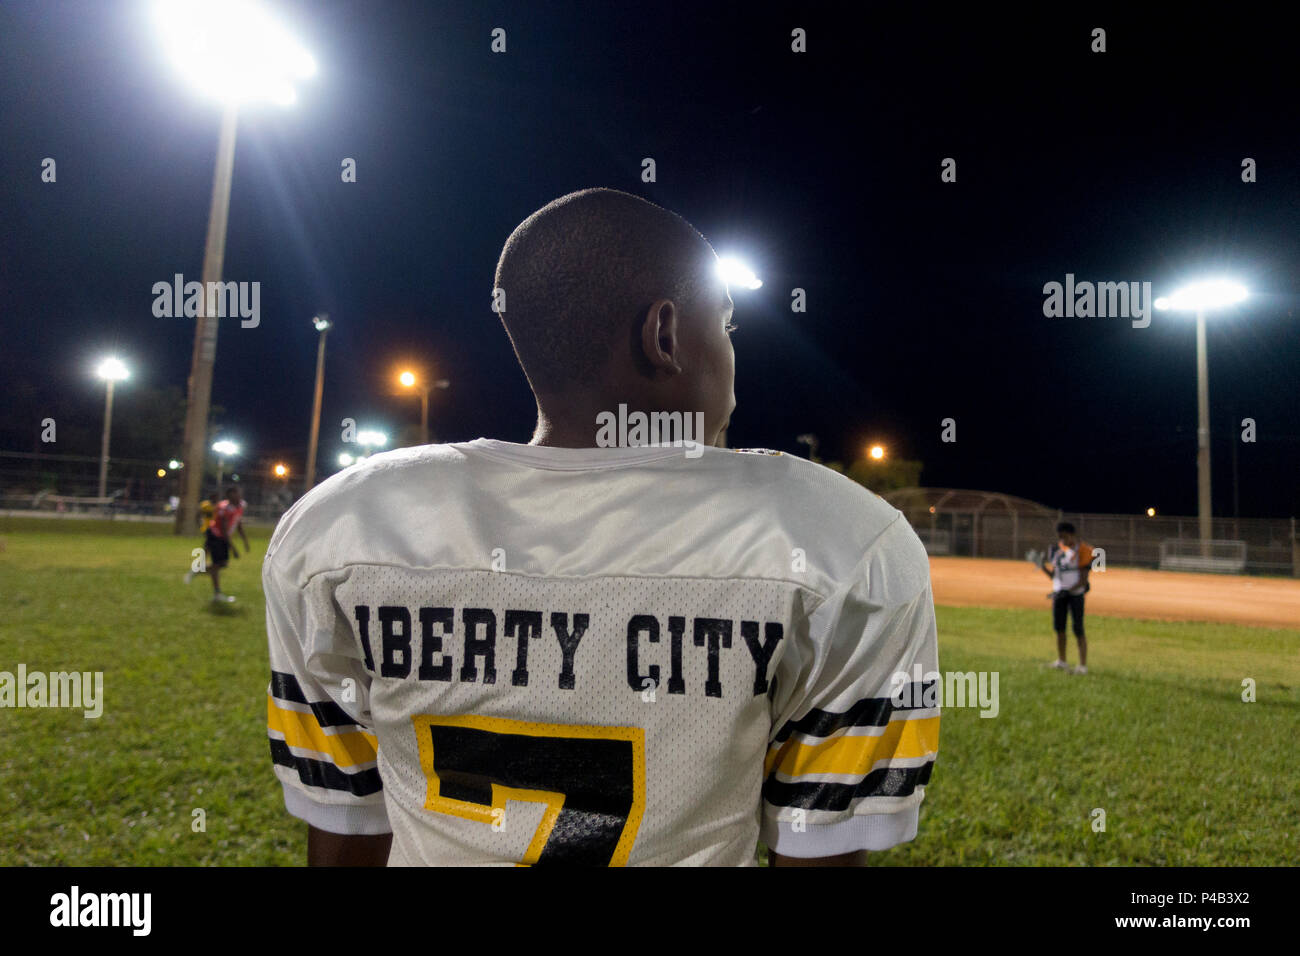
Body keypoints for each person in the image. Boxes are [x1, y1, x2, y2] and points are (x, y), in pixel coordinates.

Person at [264, 188, 939, 867]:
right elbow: (815, 851)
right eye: (726, 327)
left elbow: (346, 832)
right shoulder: (844, 541)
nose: (733, 365)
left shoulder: (346, 525)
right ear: (665, 336)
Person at [1041, 521, 1094, 674]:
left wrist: (1068, 591)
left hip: (1075, 596)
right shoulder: (1058, 551)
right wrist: (1041, 565)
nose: (1062, 540)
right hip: (1060, 595)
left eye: (1064, 537)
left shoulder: (1083, 550)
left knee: (1078, 628)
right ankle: (1062, 661)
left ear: (1072, 535)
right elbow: (1054, 576)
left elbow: (1083, 580)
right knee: (1059, 628)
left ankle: (1082, 665)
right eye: (1060, 537)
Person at [186, 485, 249, 602]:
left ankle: (197, 570)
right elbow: (224, 530)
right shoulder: (224, 508)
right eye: (236, 493)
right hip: (216, 535)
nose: (239, 495)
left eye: (239, 493)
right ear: (230, 496)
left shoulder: (241, 505)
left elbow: (238, 523)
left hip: (222, 537)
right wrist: (233, 549)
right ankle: (217, 593)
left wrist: (245, 541)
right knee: (216, 565)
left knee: (222, 564)